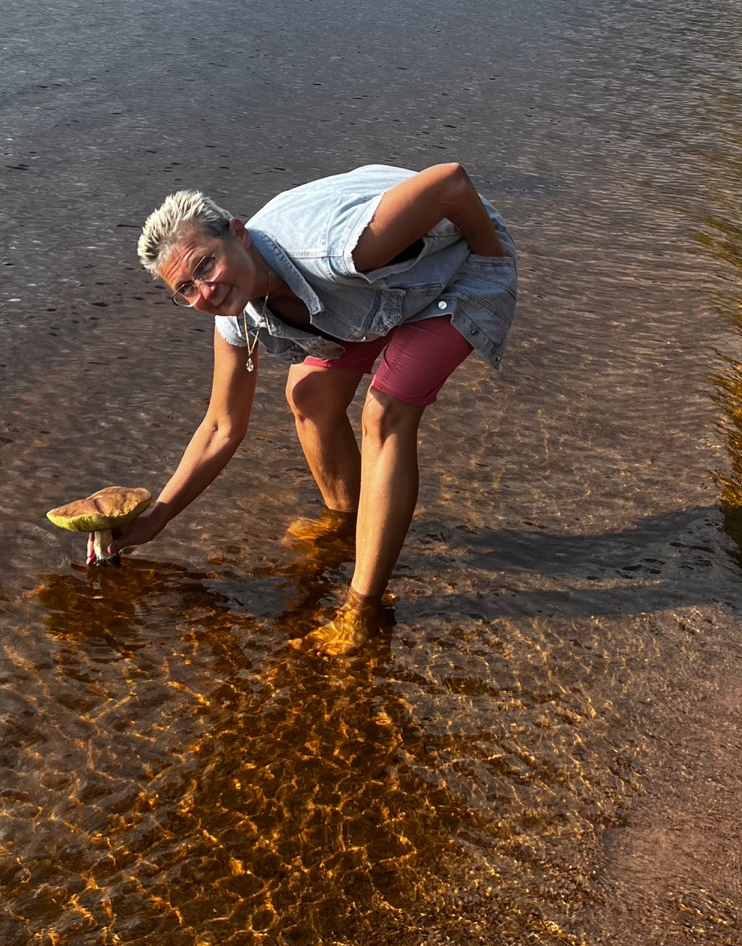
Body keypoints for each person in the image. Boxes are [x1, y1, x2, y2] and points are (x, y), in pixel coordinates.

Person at [116, 164, 516, 645]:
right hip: (377, 292)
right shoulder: (234, 312)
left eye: (205, 265)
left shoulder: (331, 247)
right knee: (307, 395)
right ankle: (350, 524)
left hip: (463, 267)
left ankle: (361, 608)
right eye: (185, 289)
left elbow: (450, 183)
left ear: (238, 234)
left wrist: (493, 261)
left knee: (385, 411)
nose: (206, 291)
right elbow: (222, 426)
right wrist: (157, 516)